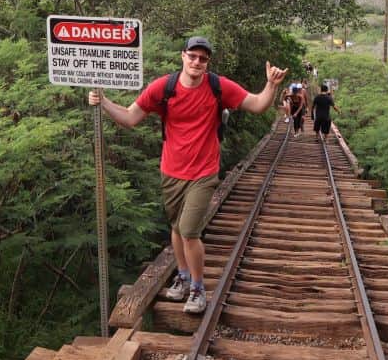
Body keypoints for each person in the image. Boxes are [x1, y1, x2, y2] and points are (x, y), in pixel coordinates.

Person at [88, 36, 288, 315]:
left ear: (207, 63)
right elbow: (131, 118)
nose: (197, 62)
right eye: (192, 56)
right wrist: (104, 102)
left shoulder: (218, 86)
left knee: (189, 232)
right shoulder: (164, 88)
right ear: (182, 56)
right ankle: (182, 277)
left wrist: (271, 85)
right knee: (176, 228)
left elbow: (256, 105)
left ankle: (197, 288)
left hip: (204, 172)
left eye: (202, 58)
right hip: (171, 171)